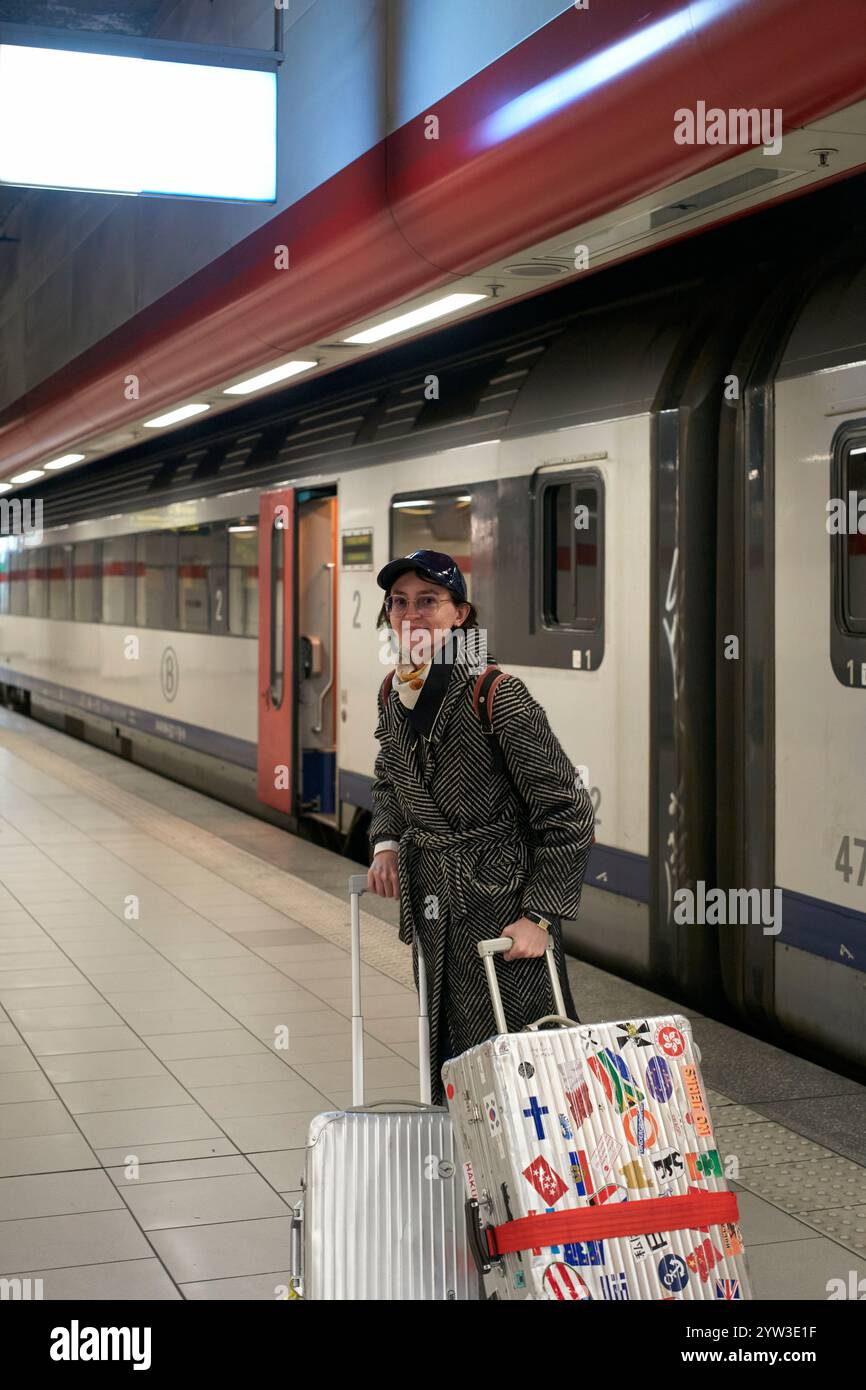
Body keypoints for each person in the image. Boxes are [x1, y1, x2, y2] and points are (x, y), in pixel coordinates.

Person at [366, 548, 595, 1104]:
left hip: (503, 909)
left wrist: (540, 915)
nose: (411, 616)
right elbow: (390, 780)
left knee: (526, 1067)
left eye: (429, 602)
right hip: (435, 905)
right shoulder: (394, 693)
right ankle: (468, 1177)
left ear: (461, 613)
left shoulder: (496, 694)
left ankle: (541, 1184)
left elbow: (568, 811)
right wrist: (387, 841)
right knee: (452, 1061)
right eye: (399, 603)